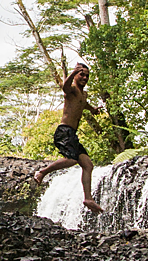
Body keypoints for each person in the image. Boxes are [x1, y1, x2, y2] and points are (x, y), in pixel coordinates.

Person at [34, 63, 104, 213]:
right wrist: (72, 73)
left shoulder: (83, 94)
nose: (85, 78)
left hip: (72, 135)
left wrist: (93, 110)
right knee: (71, 160)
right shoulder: (71, 89)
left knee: (87, 165)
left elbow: (83, 104)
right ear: (76, 75)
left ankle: (88, 198)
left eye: (87, 76)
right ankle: (42, 172)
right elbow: (64, 88)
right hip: (64, 131)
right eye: (82, 74)